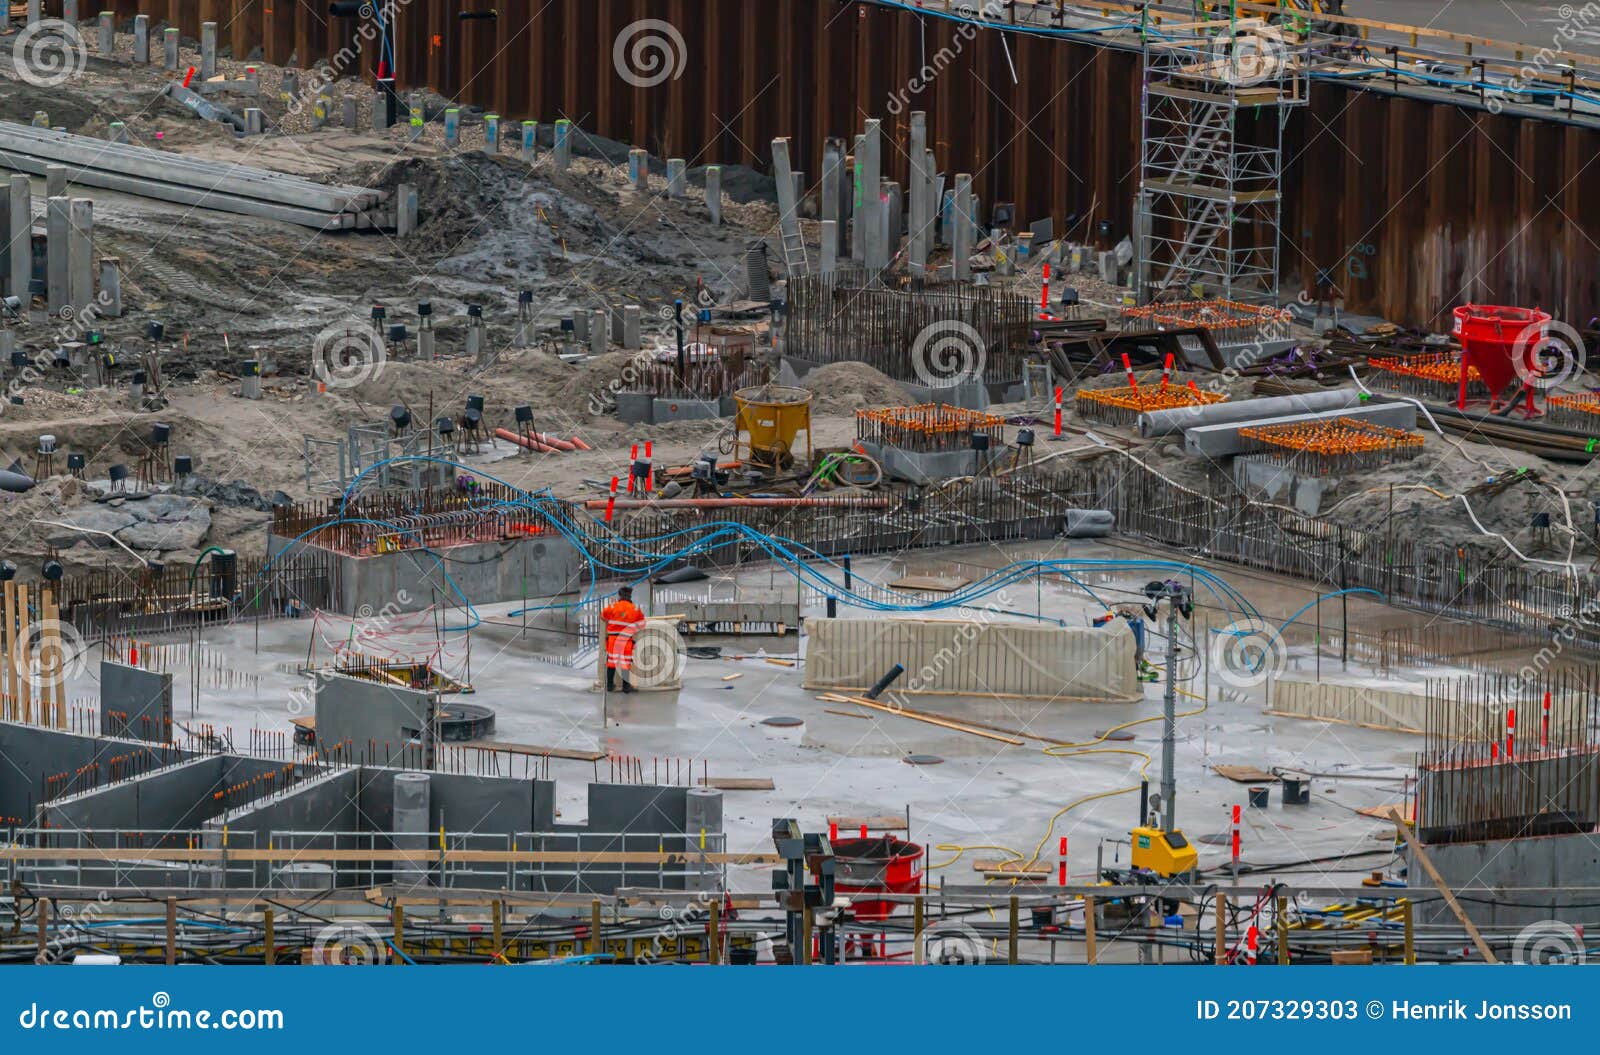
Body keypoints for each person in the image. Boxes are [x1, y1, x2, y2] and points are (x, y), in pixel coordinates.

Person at [601, 586, 647, 693]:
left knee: (611, 662)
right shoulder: (635, 609)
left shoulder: (613, 606)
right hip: (626, 640)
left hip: (613, 639)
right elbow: (642, 624)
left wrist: (610, 622)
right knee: (625, 663)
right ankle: (626, 687)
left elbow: (602, 616)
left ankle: (609, 686)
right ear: (630, 595)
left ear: (620, 595)